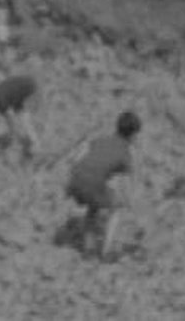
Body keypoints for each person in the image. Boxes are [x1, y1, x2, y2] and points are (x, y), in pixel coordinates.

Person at [65, 110, 142, 259]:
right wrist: (131, 202)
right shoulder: (125, 152)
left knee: (94, 206)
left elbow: (76, 158)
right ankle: (107, 251)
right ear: (133, 135)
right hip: (92, 183)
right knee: (117, 208)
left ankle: (88, 248)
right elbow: (130, 181)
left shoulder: (100, 139)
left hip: (74, 180)